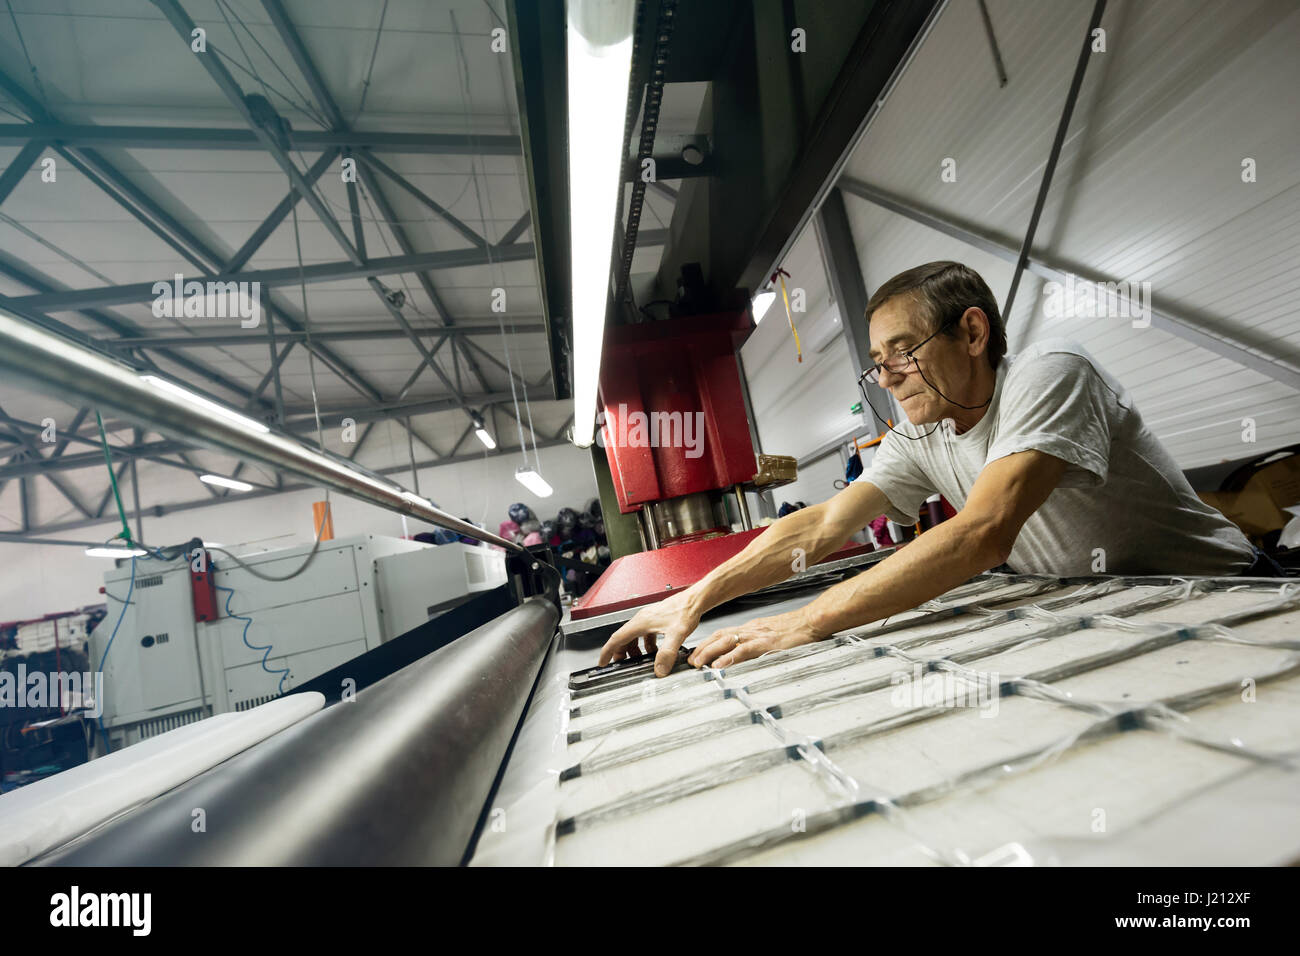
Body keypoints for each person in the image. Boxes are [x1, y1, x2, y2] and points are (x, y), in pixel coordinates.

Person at [601, 261, 1263, 677]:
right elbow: (819, 525)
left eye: (902, 351)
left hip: (1230, 595)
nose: (886, 377)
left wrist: (803, 621)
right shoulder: (922, 433)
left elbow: (984, 532)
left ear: (972, 334)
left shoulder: (1049, 372)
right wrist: (689, 601)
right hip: (1109, 607)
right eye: (876, 359)